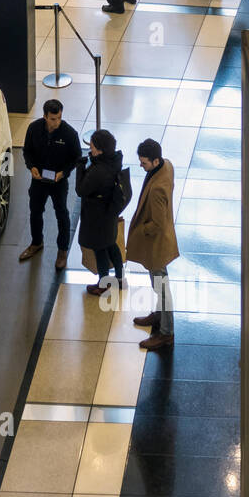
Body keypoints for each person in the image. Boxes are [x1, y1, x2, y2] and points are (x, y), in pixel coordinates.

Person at [127, 138, 180, 351]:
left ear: (155, 160)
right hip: (161, 241)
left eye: (144, 163)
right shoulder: (166, 165)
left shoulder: (157, 189)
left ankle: (166, 333)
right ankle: (159, 315)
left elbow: (156, 224)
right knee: (159, 284)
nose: (141, 165)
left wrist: (141, 230)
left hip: (156, 244)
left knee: (162, 287)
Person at [19, 99, 83, 271]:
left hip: (58, 182)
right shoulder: (33, 129)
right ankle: (36, 242)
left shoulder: (69, 134)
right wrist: (31, 167)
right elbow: (27, 151)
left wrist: (64, 173)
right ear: (45, 116)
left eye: (59, 118)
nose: (57, 122)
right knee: (35, 211)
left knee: (62, 214)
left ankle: (62, 250)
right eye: (53, 119)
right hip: (39, 179)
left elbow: (76, 157)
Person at [75, 130, 125, 297]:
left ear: (101, 149)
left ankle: (103, 284)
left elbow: (81, 190)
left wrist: (80, 167)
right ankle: (119, 277)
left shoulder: (99, 171)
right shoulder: (114, 161)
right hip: (109, 212)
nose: (91, 149)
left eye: (93, 146)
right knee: (111, 243)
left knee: (100, 248)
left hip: (97, 216)